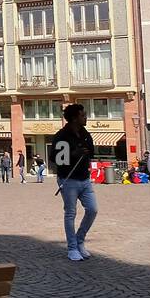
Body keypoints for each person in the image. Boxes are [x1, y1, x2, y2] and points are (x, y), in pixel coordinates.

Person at [52, 103, 97, 262]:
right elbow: (57, 159)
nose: (86, 118)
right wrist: (74, 154)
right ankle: (72, 248)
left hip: (85, 179)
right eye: (83, 115)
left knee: (92, 210)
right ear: (74, 118)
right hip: (68, 179)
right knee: (70, 213)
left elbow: (91, 151)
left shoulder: (85, 134)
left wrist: (86, 153)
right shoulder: (62, 136)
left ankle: (79, 240)